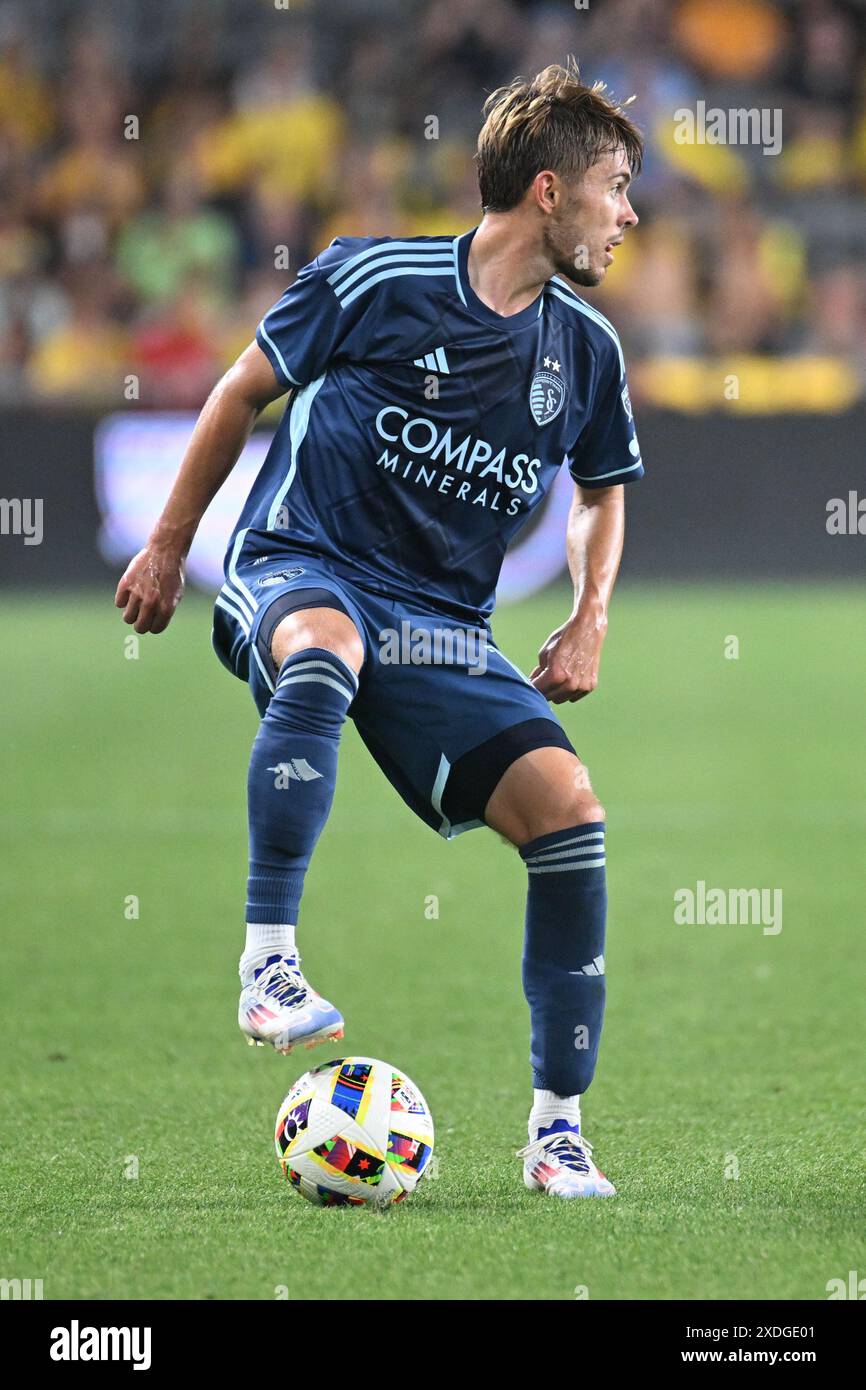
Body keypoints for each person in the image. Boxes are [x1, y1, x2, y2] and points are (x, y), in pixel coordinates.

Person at [116, 60, 644, 1199]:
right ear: (547, 191)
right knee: (326, 649)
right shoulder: (373, 277)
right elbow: (236, 392)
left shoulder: (586, 354)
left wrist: (588, 614)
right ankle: (269, 967)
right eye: (614, 186)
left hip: (443, 621)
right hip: (300, 560)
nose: (629, 213)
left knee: (570, 817)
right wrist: (167, 546)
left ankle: (555, 1132)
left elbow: (602, 490)